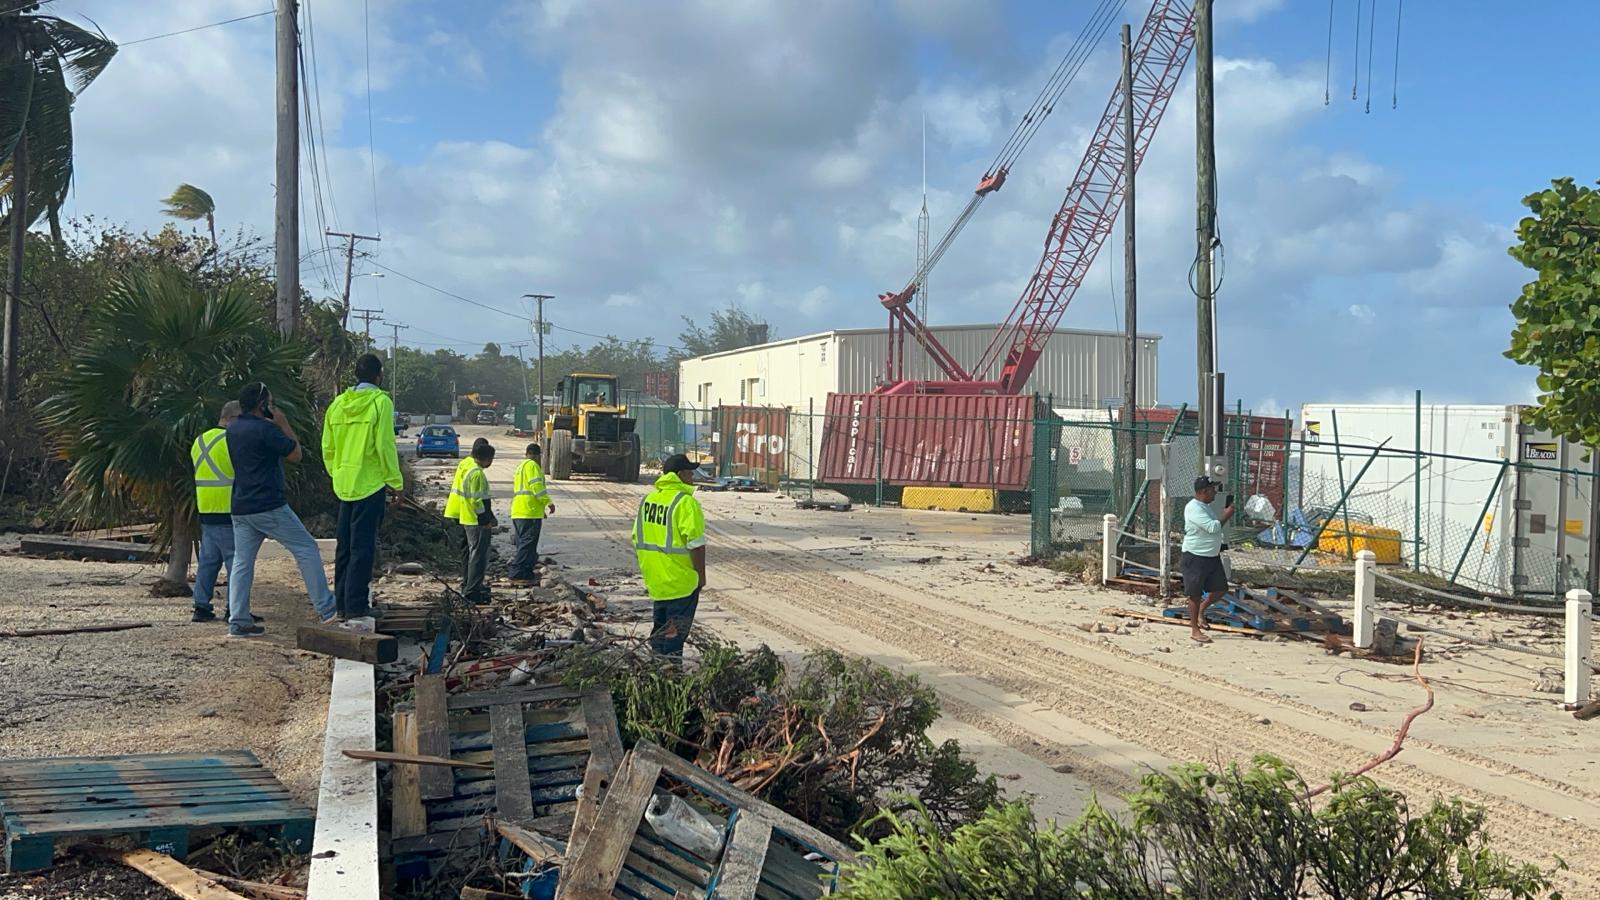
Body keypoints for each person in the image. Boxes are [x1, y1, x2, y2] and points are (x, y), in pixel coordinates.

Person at [225, 382, 337, 637]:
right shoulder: (266, 429)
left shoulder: (233, 429)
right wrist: (283, 423)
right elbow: (295, 454)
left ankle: (238, 620)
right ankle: (327, 609)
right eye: (271, 403)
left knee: (242, 562)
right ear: (263, 405)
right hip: (269, 504)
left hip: (241, 505)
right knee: (306, 548)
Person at [322, 354, 404, 623]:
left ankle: (342, 604)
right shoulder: (381, 402)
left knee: (344, 547)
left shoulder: (338, 405)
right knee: (363, 548)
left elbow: (327, 447)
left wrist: (337, 473)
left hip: (344, 485)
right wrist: (395, 483)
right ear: (379, 375)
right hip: (370, 485)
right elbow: (384, 446)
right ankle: (357, 605)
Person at [633, 454, 707, 656]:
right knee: (675, 635)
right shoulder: (685, 503)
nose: (692, 476)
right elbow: (697, 545)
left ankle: (656, 671)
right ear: (681, 474)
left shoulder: (648, 500)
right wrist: (700, 577)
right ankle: (670, 676)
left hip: (656, 580)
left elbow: (636, 537)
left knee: (660, 631)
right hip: (680, 581)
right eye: (690, 472)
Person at [190, 401, 241, 623]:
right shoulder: (231, 440)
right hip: (228, 508)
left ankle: (201, 606)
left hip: (206, 508)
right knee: (235, 562)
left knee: (209, 561)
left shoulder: (200, 440)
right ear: (234, 418)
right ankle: (235, 609)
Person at [1181, 476, 1235, 644]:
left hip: (1211, 556)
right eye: (1212, 489)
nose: (1215, 493)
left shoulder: (1206, 507)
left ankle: (1201, 611)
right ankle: (1194, 630)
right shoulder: (1193, 508)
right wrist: (1226, 515)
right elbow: (1212, 527)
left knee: (1220, 589)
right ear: (1203, 491)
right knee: (1195, 594)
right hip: (1195, 556)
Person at [444, 439, 496, 603]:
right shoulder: (477, 473)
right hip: (474, 519)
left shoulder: (466, 465)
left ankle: (469, 586)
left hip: (463, 514)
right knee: (478, 556)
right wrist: (484, 519)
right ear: (487, 458)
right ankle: (472, 591)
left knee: (470, 554)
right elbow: (477, 500)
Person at [509, 443, 555, 586]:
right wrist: (549, 503)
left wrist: (541, 510)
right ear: (537, 455)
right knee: (527, 544)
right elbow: (537, 489)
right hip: (529, 512)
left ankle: (526, 574)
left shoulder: (520, 467)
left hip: (519, 510)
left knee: (523, 543)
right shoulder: (533, 466)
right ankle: (517, 573)